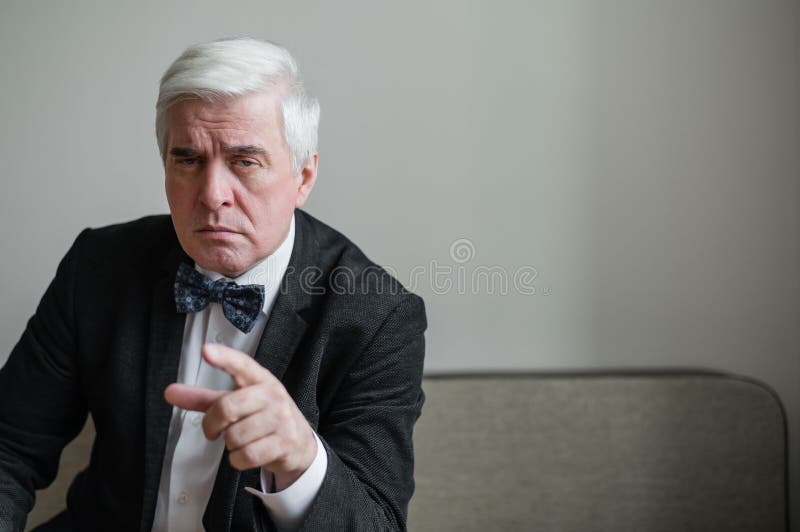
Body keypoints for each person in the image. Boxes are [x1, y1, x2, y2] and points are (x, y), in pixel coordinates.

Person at [0, 38, 426, 532]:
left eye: (245, 161)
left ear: (303, 176)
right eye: (189, 160)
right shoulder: (98, 267)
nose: (212, 195)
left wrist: (303, 463)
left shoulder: (378, 316)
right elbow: (10, 444)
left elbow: (377, 522)